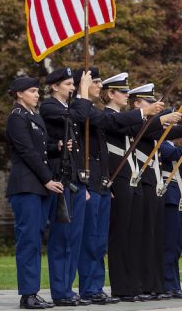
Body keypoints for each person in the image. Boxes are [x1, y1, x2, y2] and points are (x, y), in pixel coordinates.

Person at [127, 83, 182, 300]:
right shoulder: (160, 143)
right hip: (168, 197)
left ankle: (173, 284)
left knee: (175, 246)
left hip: (178, 197)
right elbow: (177, 155)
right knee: (167, 245)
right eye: (169, 119)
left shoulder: (169, 143)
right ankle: (166, 284)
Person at [100, 72, 160, 302]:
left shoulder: (126, 118)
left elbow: (142, 129)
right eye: (123, 91)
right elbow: (123, 125)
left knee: (134, 236)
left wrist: (156, 116)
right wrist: (147, 113)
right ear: (111, 94)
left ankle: (133, 286)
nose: (127, 94)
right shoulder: (107, 117)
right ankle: (121, 287)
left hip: (133, 181)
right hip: (120, 182)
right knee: (120, 236)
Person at [5, 75, 60, 310]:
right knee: (28, 241)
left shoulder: (34, 116)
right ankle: (27, 294)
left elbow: (41, 149)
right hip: (27, 185)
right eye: (32, 91)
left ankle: (33, 292)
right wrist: (47, 179)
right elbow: (27, 151)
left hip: (37, 187)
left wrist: (56, 147)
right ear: (19, 94)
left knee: (36, 240)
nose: (37, 94)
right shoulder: (16, 118)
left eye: (38, 91)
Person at [39, 67, 93, 306]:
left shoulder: (68, 108)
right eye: (69, 84)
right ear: (55, 87)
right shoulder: (50, 107)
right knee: (62, 238)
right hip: (62, 180)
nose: (72, 88)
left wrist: (85, 183)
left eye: (74, 84)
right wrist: (83, 91)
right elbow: (79, 116)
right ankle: (60, 291)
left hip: (76, 180)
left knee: (75, 238)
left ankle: (69, 289)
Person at [71, 67, 121, 305]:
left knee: (100, 241)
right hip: (87, 184)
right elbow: (80, 118)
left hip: (101, 184)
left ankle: (97, 287)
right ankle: (88, 288)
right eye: (96, 81)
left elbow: (101, 153)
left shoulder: (95, 111)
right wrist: (81, 92)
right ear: (83, 83)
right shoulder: (78, 109)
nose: (100, 85)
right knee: (89, 239)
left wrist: (107, 182)